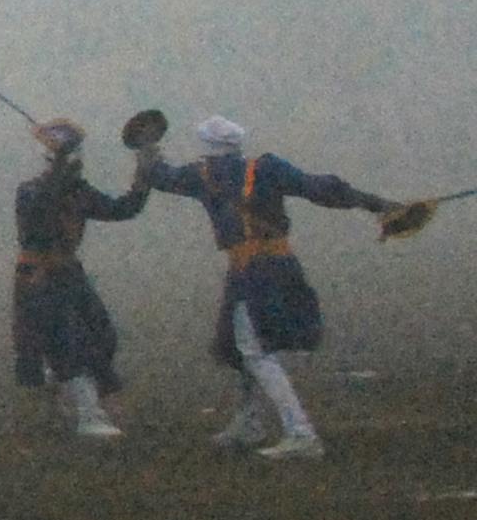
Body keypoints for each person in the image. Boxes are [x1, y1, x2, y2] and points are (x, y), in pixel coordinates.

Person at [129, 113, 397, 460]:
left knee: (254, 350)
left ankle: (300, 432)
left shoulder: (202, 174)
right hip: (277, 265)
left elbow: (161, 177)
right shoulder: (266, 168)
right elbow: (322, 189)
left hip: (253, 272)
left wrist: (146, 148)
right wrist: (376, 203)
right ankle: (250, 422)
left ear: (207, 147)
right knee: (244, 349)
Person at [9, 120, 148, 439]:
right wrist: (60, 161)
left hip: (69, 275)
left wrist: (144, 176)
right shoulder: (30, 191)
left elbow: (123, 209)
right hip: (39, 278)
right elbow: (43, 209)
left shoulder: (79, 192)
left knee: (102, 335)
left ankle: (57, 384)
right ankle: (88, 415)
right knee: (69, 343)